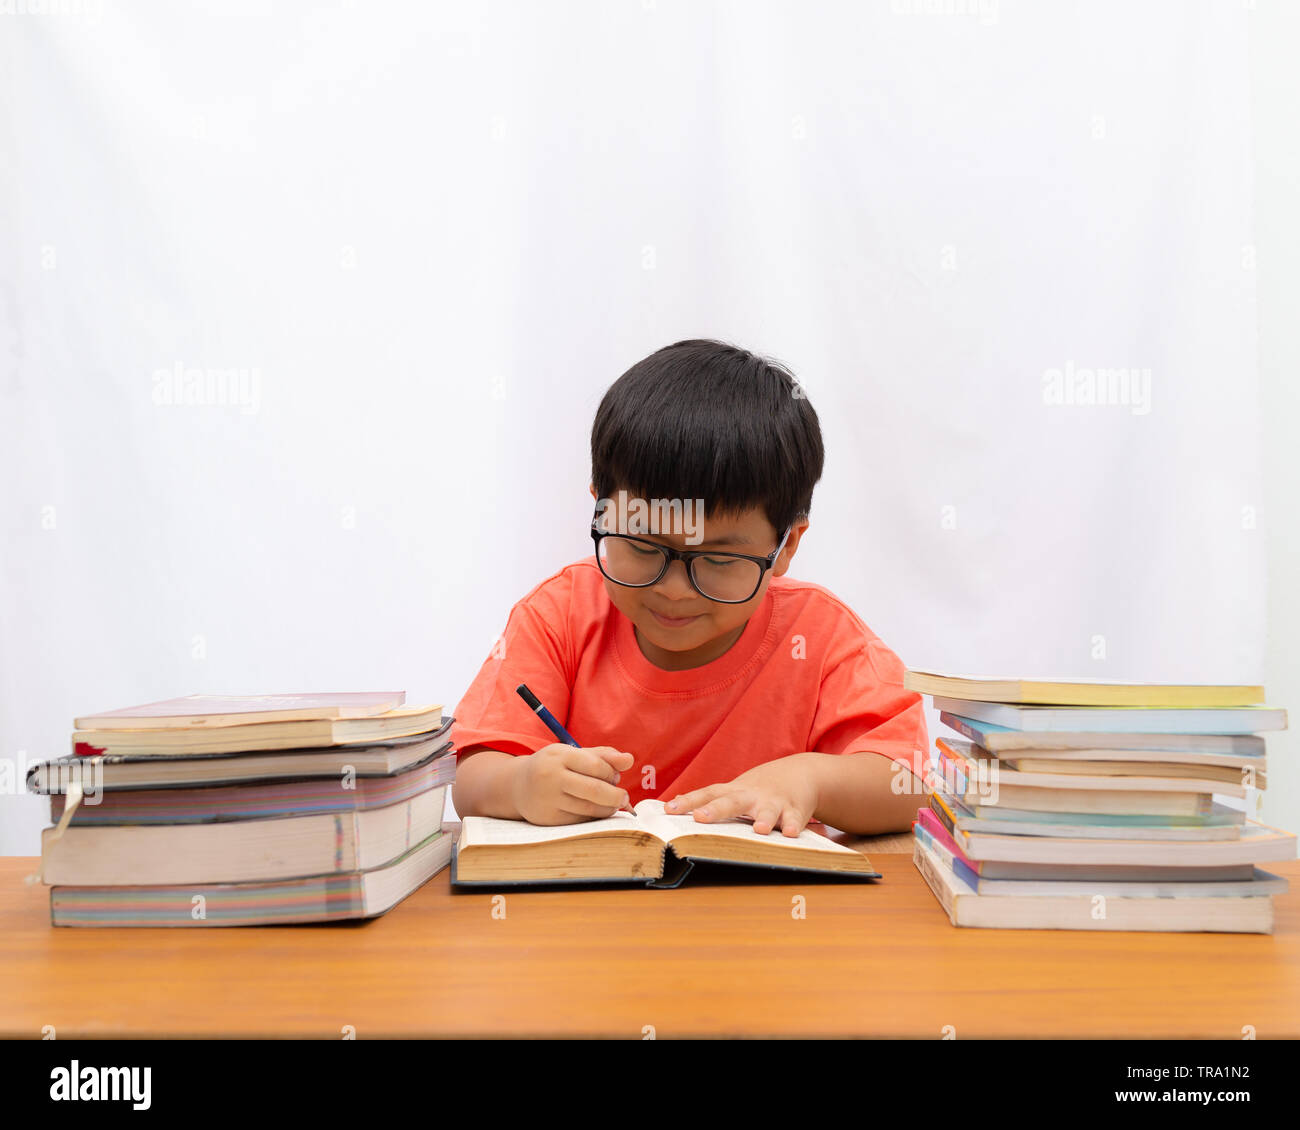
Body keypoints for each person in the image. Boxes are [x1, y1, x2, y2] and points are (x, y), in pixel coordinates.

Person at [451, 339, 927, 837]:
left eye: (719, 558)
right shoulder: (560, 615)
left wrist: (810, 779)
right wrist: (521, 785)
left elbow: (910, 784)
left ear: (786, 546)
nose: (674, 590)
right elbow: (471, 780)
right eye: (642, 545)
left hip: (760, 913)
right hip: (592, 911)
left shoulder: (821, 637)